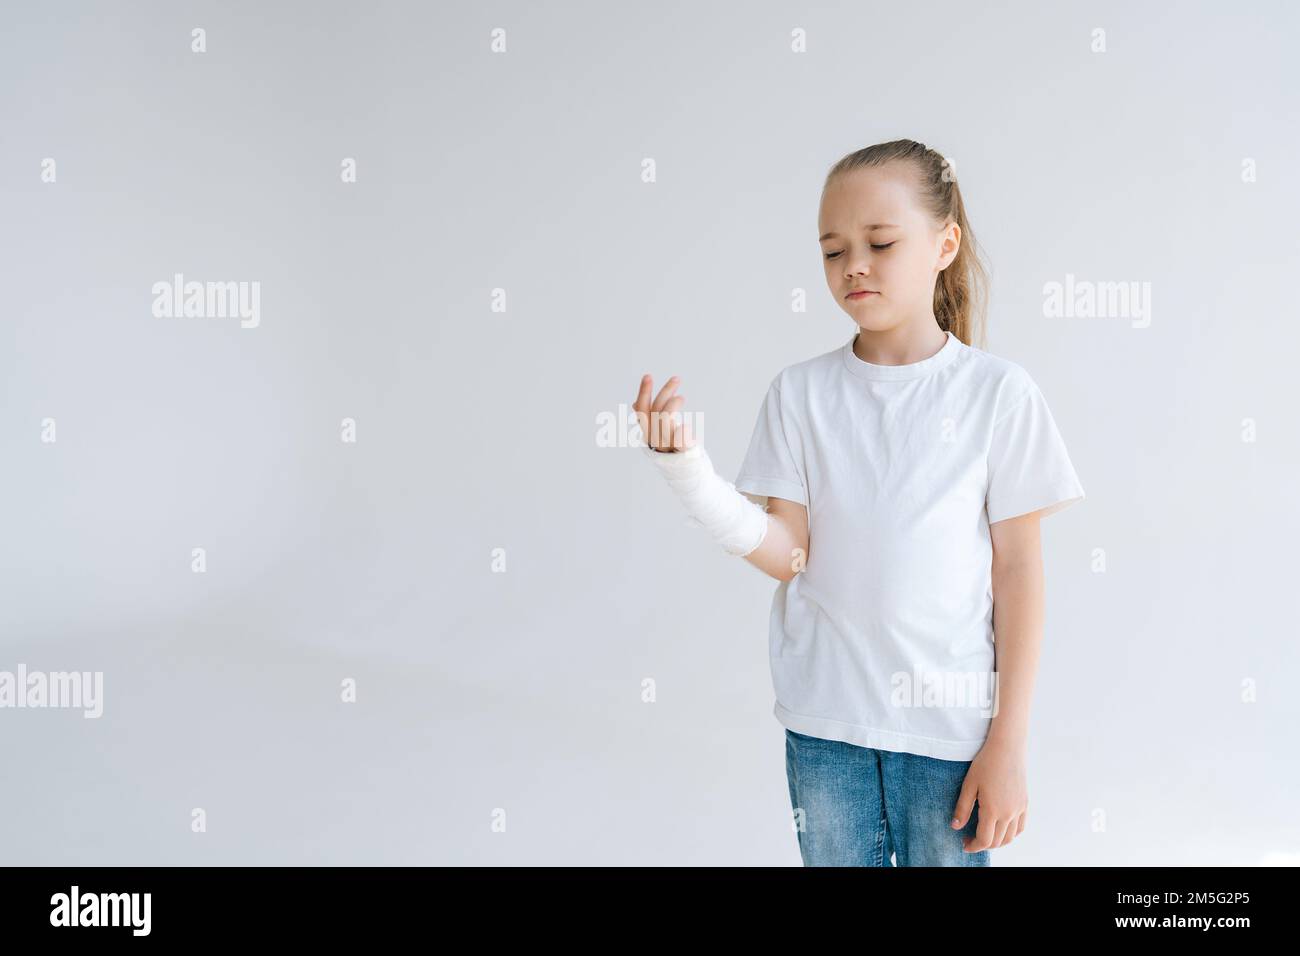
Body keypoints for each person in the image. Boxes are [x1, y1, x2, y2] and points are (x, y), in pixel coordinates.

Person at [632, 138, 1085, 867]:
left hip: (949, 737)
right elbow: (787, 554)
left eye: (879, 242)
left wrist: (1008, 741)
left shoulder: (997, 396)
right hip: (826, 733)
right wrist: (688, 471)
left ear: (944, 244)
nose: (854, 267)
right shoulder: (801, 394)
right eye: (833, 251)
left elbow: (1019, 575)